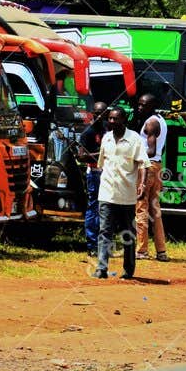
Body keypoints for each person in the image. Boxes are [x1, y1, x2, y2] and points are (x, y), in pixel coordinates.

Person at [93, 107, 148, 279]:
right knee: (104, 231)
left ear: (124, 120)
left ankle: (129, 270)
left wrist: (143, 184)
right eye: (109, 118)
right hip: (107, 193)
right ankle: (101, 269)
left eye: (115, 119)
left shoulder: (134, 139)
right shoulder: (106, 138)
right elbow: (101, 164)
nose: (111, 122)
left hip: (126, 195)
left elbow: (143, 164)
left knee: (128, 234)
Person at [133, 93, 169, 263]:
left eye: (143, 105)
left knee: (141, 207)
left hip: (147, 168)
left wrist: (132, 154)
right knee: (155, 210)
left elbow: (151, 150)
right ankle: (161, 251)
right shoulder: (161, 120)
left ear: (151, 106)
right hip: (157, 167)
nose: (139, 108)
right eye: (139, 104)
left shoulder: (151, 123)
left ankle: (141, 250)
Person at [76, 101, 109, 256]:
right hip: (95, 173)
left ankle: (103, 244)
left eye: (103, 113)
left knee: (106, 209)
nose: (100, 116)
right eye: (97, 113)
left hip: (108, 173)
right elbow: (81, 156)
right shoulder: (88, 132)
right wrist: (102, 154)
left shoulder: (107, 129)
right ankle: (92, 245)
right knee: (94, 207)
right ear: (93, 114)